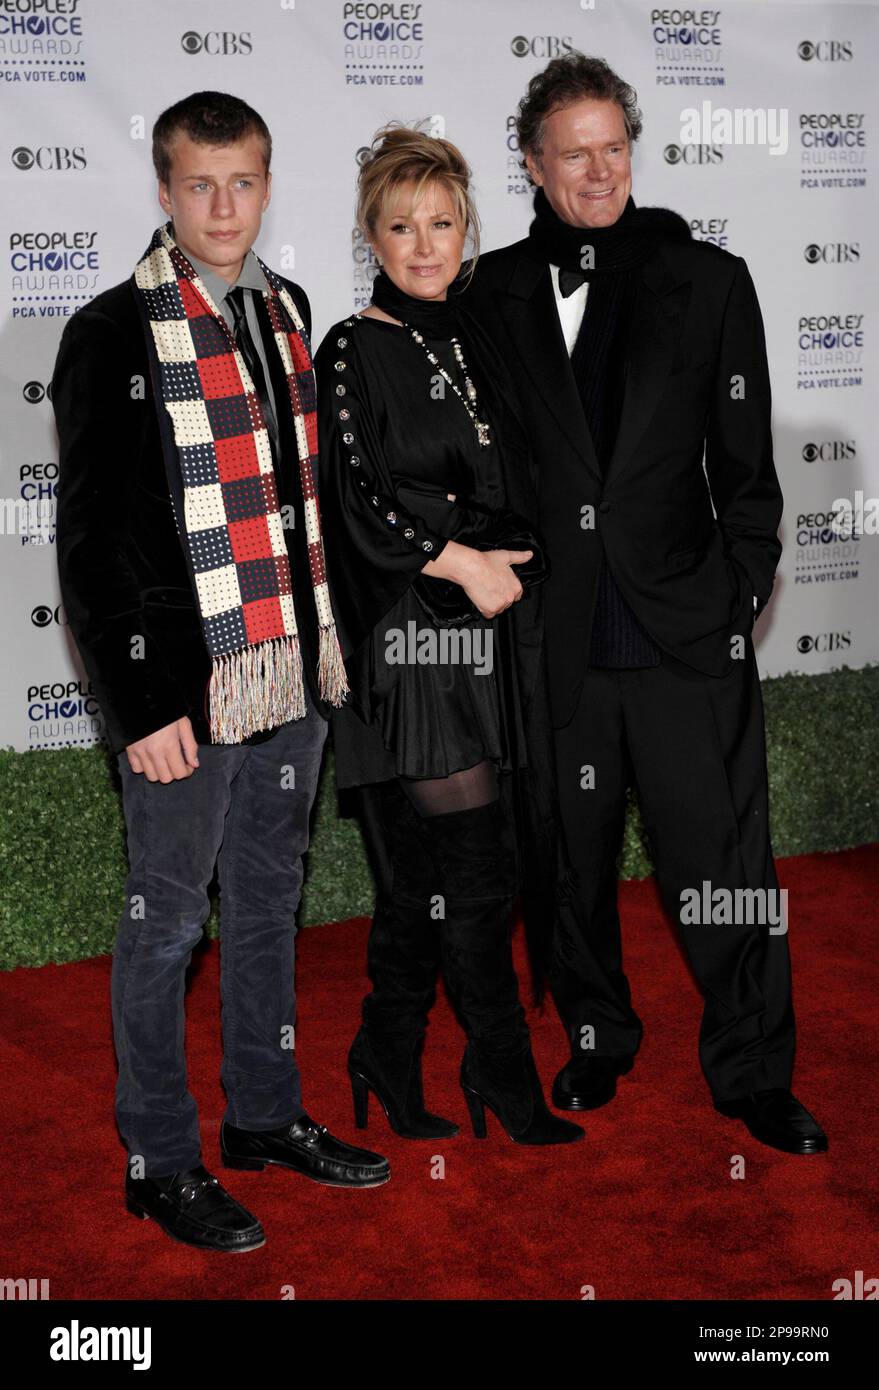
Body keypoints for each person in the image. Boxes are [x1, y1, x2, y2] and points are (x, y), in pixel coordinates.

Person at [466, 53, 827, 1156]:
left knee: (721, 867)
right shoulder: (491, 294)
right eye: (573, 153)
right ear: (531, 164)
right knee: (569, 865)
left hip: (682, 637)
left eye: (614, 146)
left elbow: (748, 477)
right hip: (556, 640)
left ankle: (756, 1067)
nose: (599, 170)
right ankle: (596, 1034)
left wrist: (734, 596)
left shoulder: (708, 282)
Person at [52, 90, 391, 1255]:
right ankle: (159, 1157)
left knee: (264, 909)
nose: (222, 204)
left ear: (266, 179)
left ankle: (263, 1114)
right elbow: (91, 541)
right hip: (183, 696)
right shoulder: (110, 331)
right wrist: (140, 704)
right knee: (162, 926)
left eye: (242, 180)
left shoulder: (287, 309)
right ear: (162, 189)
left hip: (288, 674)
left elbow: (304, 508)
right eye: (198, 183)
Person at [314, 123, 584, 1146]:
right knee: (473, 876)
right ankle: (503, 1073)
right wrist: (457, 557)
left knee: (427, 886)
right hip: (410, 647)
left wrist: (510, 554)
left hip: (488, 643)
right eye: (400, 226)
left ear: (468, 226)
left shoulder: (474, 339)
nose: (423, 245)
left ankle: (385, 1050)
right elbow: (354, 500)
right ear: (370, 238)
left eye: (441, 223)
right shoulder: (353, 348)